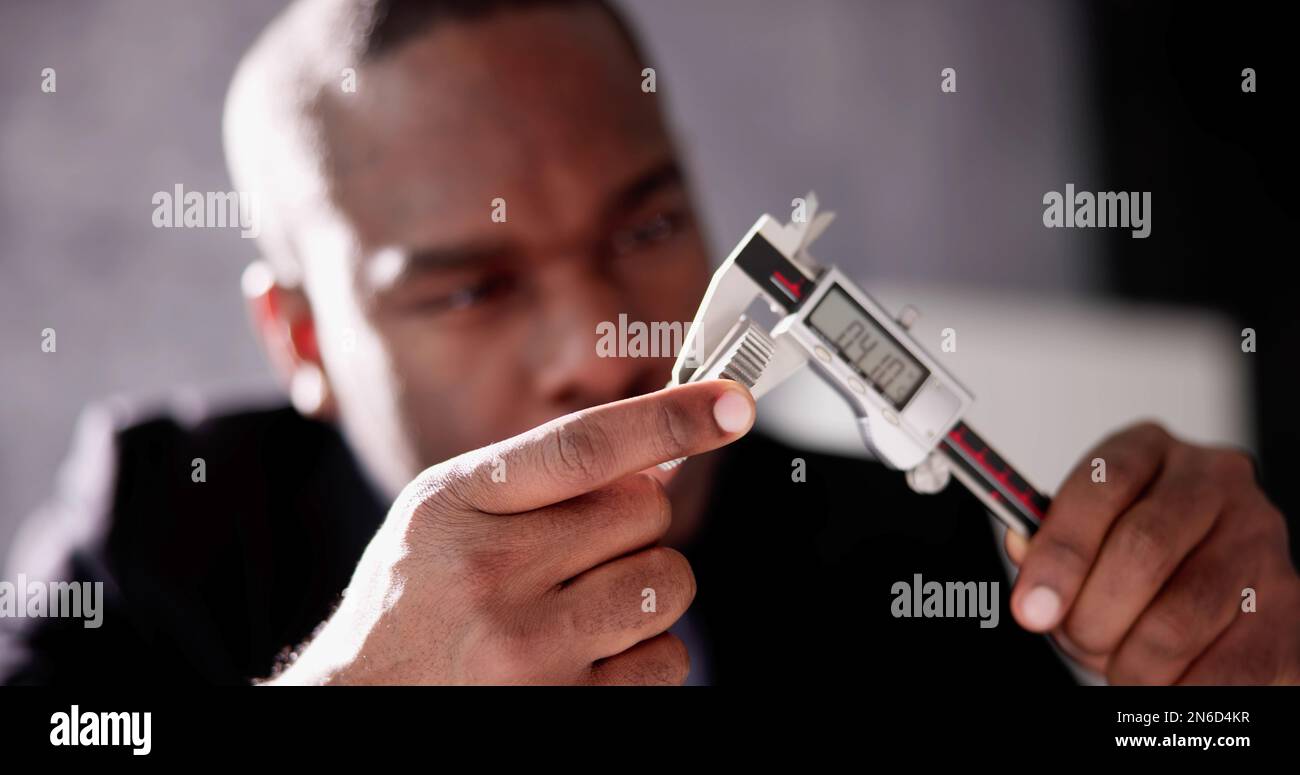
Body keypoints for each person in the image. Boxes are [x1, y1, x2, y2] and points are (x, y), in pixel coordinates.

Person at [3, 0, 1297, 686]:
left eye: (650, 225)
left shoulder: (900, 555)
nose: (602, 346)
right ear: (303, 339)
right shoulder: (148, 536)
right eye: (470, 291)